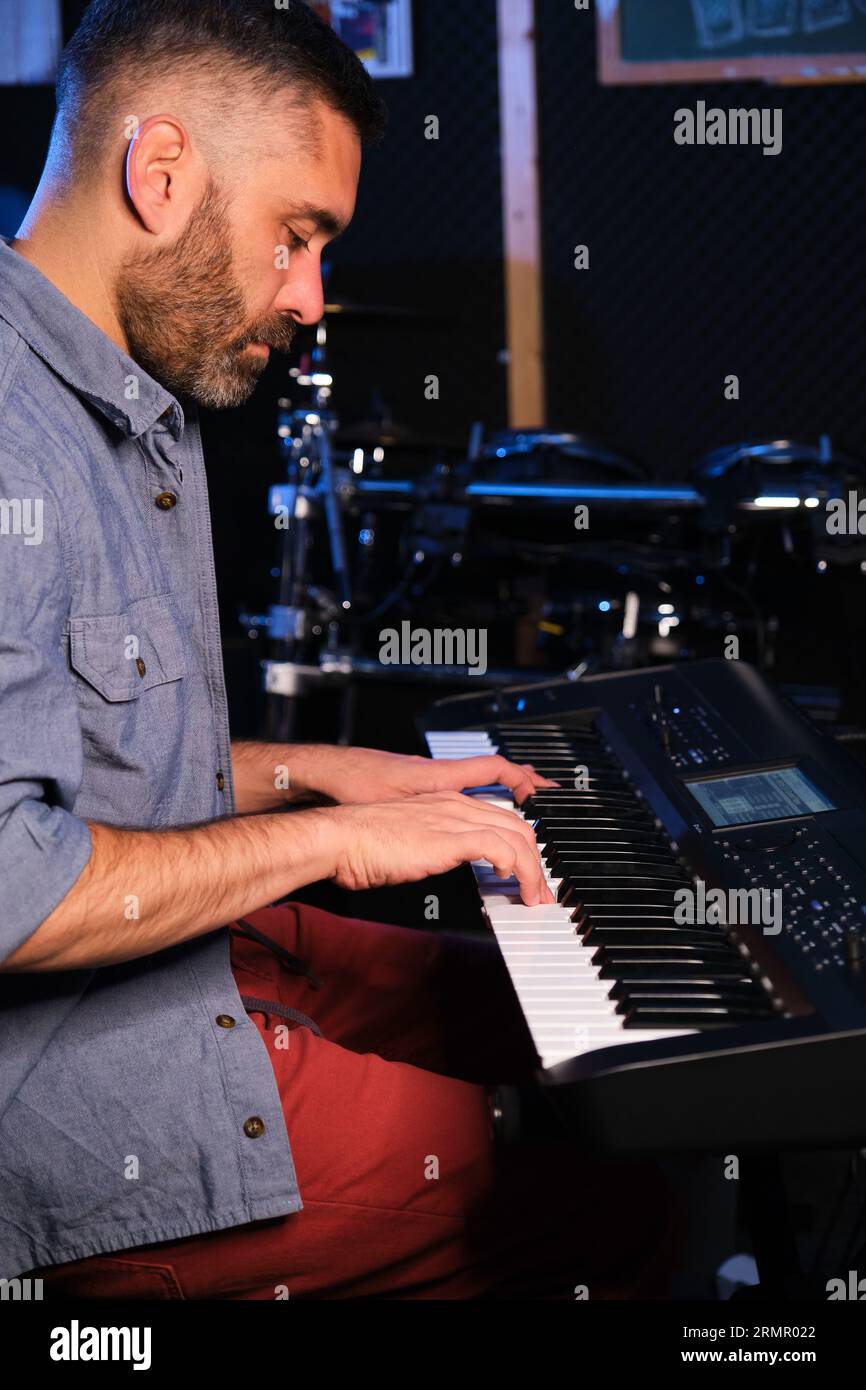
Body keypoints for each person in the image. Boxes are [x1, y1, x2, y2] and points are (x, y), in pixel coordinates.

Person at [0, 0, 677, 1298]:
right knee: (608, 1176)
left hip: (169, 965)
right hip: (62, 1100)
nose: (310, 297)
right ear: (160, 173)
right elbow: (15, 887)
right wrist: (331, 842)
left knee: (558, 1021)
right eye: (295, 237)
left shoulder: (138, 393)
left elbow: (77, 747)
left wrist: (323, 774)